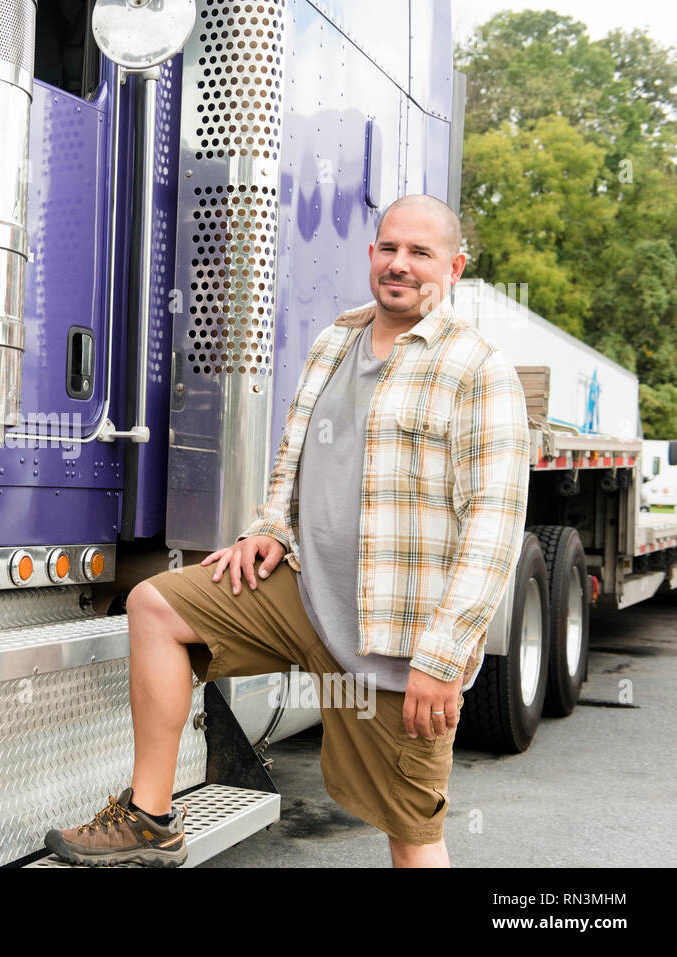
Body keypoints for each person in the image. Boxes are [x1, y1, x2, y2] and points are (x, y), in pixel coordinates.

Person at [43, 194, 530, 867]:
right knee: (157, 605)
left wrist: (443, 660)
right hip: (302, 592)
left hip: (394, 638)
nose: (399, 263)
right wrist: (270, 526)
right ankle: (150, 817)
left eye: (420, 252)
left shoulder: (477, 369)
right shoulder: (336, 341)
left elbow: (494, 528)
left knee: (412, 835)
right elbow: (296, 454)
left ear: (454, 265)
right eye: (389, 247)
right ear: (371, 254)